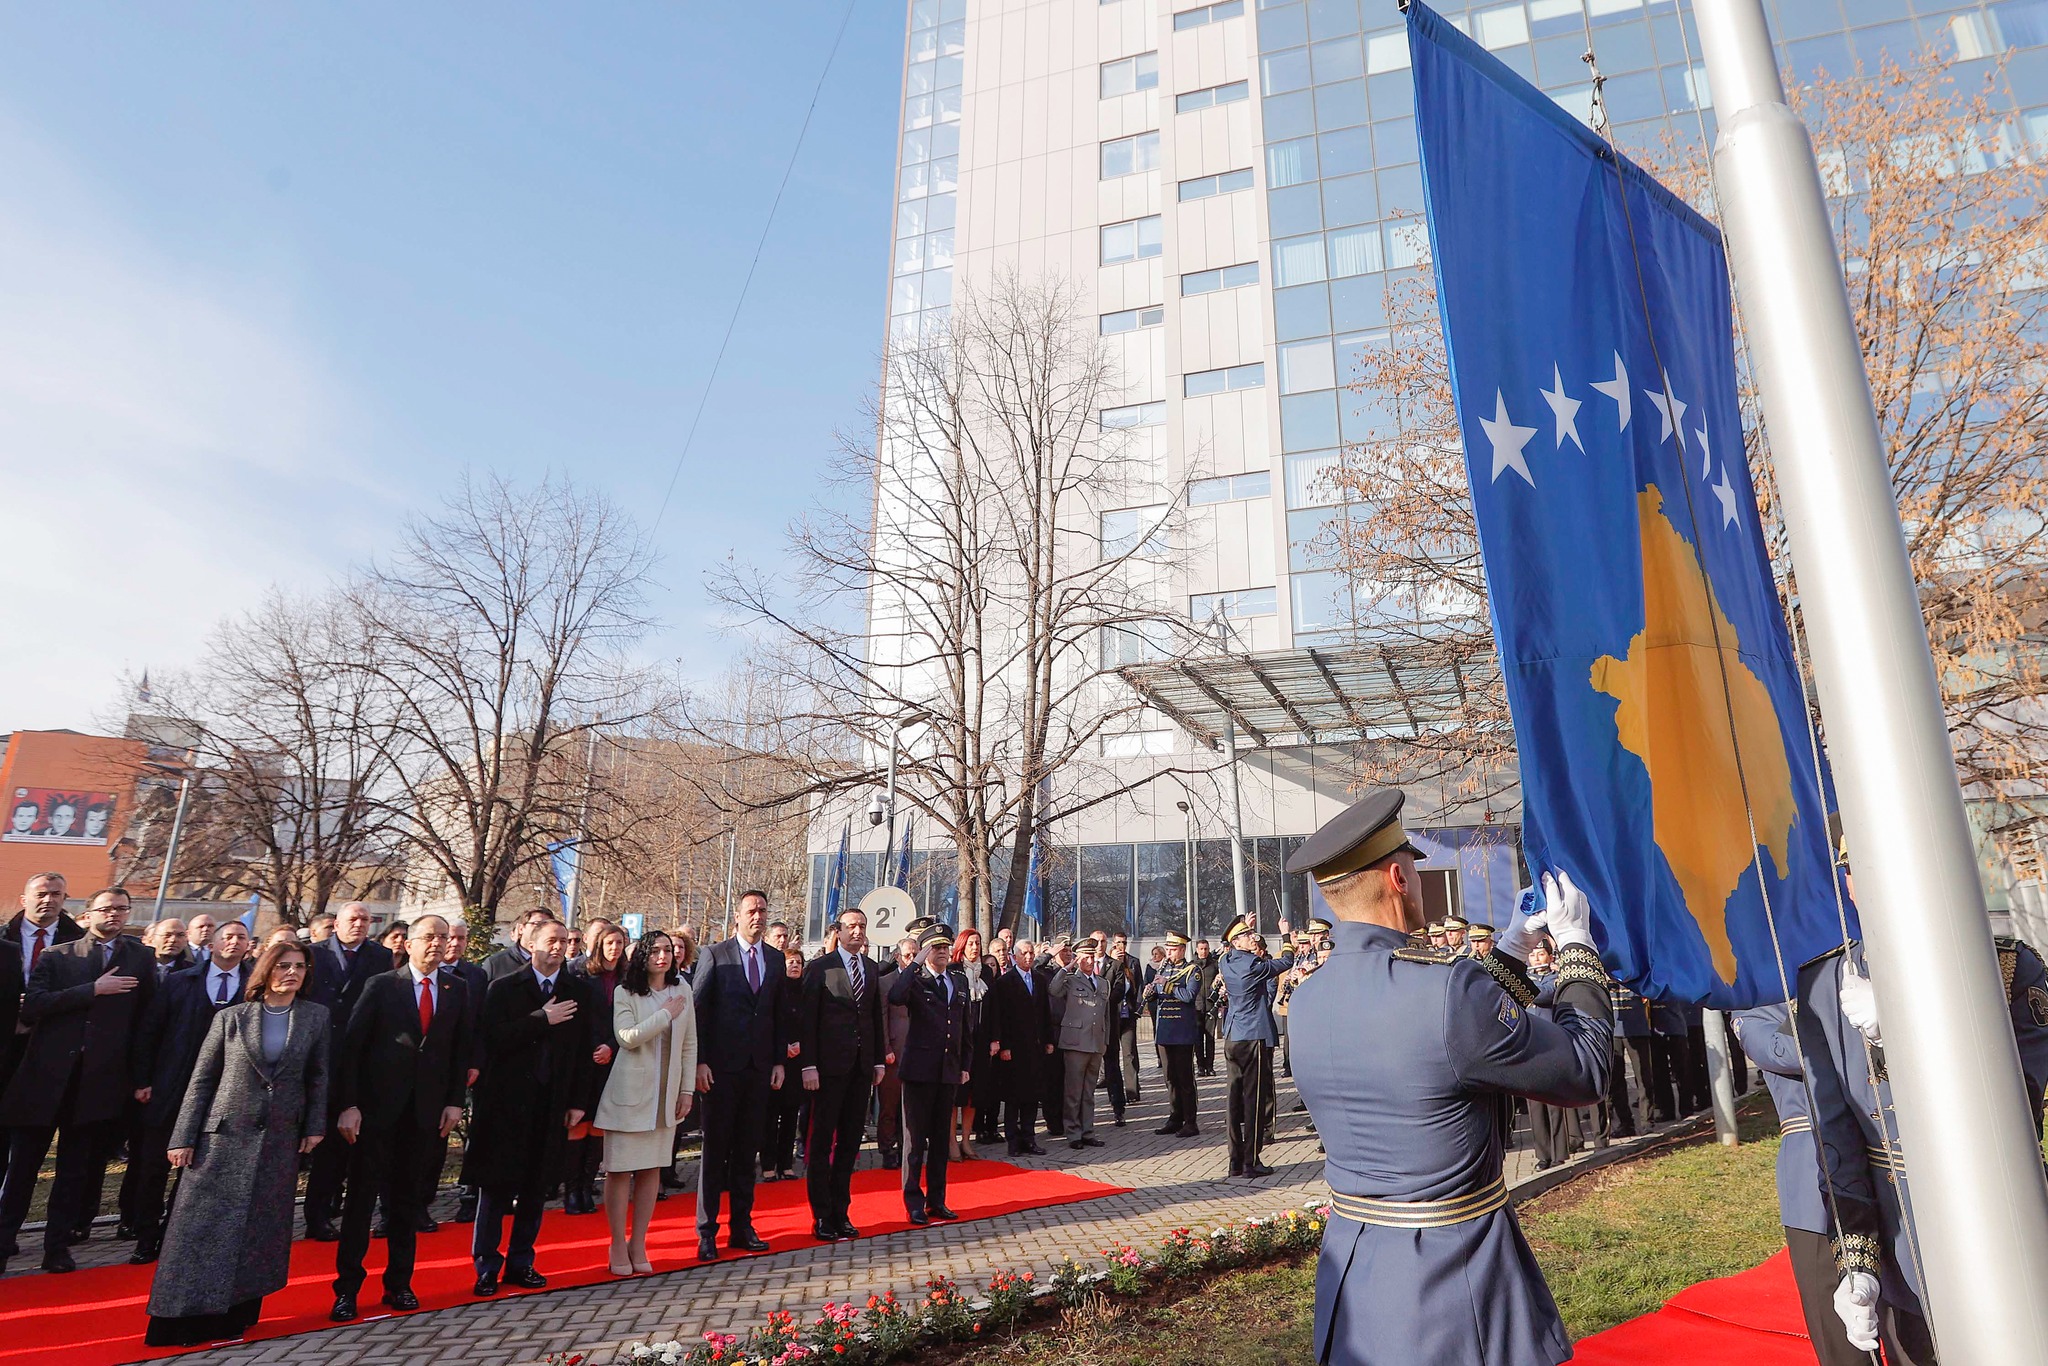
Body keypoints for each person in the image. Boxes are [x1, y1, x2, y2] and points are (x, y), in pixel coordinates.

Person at [1285, 788, 1613, 1366]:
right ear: (1397, 878)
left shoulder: (1309, 996)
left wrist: (1511, 946)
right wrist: (1577, 948)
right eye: (1415, 864)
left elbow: (1459, 1040)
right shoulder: (1448, 991)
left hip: (1355, 1276)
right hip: (1453, 1281)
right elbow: (1585, 1070)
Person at [142, 939, 327, 1346]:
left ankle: (235, 1315)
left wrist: (314, 1126)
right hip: (222, 1138)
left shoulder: (316, 1018)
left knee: (260, 1230)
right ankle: (177, 1319)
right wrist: (183, 1137)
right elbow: (203, 1079)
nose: (292, 973)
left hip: (279, 1139)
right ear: (266, 972)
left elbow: (318, 1075)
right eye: (283, 966)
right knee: (198, 1229)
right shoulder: (232, 1018)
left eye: (300, 966)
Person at [0, 885, 156, 1272]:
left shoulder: (141, 957)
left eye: (122, 909)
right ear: (88, 914)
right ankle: (3, 1244)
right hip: (45, 1078)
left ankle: (58, 1248)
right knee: (22, 1170)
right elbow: (33, 1006)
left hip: (98, 1082)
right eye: (106, 909)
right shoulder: (58, 955)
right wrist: (93, 990)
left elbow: (146, 1023)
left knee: (74, 1171)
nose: (115, 916)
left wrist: (138, 1077)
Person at [327, 915, 472, 1322]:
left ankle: (399, 1283)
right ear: (408, 944)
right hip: (376, 1111)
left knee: (408, 1201)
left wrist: (454, 1101)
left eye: (443, 938)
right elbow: (353, 1048)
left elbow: (459, 1049)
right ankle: (347, 1289)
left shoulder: (455, 988)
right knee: (360, 1202)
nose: (437, 944)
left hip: (425, 1112)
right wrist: (349, 1104)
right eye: (428, 937)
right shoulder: (382, 985)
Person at [462, 919, 591, 1297]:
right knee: (496, 1188)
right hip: (505, 1103)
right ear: (531, 944)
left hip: (551, 1102)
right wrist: (540, 1020)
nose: (559, 948)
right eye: (551, 941)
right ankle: (486, 1264)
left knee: (536, 1188)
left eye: (565, 942)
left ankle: (522, 1261)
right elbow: (492, 1039)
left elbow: (582, 1053)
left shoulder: (574, 990)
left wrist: (577, 1102)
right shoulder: (504, 988)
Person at [1732, 1003, 1861, 1366]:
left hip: (1880, 1155)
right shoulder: (1753, 1008)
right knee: (1834, 1320)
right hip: (1811, 1166)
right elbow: (1785, 1052)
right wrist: (1819, 999)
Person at [123, 921, 254, 1262]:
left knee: (200, 1171)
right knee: (154, 1166)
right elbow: (149, 1032)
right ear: (210, 944)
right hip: (170, 1089)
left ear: (249, 945)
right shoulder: (180, 981)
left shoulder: (256, 987)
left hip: (225, 1094)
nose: (234, 942)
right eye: (227, 936)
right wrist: (143, 1080)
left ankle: (178, 1236)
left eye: (241, 937)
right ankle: (146, 1236)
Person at [690, 890, 788, 1261]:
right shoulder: (716, 954)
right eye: (752, 911)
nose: (758, 917)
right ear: (738, 915)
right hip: (720, 1071)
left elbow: (780, 1015)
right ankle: (706, 1231)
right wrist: (699, 1062)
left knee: (748, 1153)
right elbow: (698, 1011)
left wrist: (779, 1061)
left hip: (759, 1069)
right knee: (715, 1153)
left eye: (763, 911)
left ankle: (742, 1226)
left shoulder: (775, 959)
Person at [596, 930, 696, 1274]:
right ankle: (616, 1243)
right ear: (642, 956)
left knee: (651, 1169)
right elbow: (627, 1037)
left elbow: (689, 1044)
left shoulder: (683, 989)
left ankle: (638, 1242)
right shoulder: (626, 992)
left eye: (668, 950)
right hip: (629, 1093)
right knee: (620, 1170)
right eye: (655, 950)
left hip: (665, 1096)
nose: (663, 956)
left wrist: (686, 1090)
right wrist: (665, 1014)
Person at [797, 906, 887, 1241]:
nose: (858, 932)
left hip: (861, 1069)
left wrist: (878, 1061)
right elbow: (807, 1021)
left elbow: (874, 1018)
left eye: (862, 926)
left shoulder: (871, 968)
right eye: (852, 926)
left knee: (850, 1143)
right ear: (839, 930)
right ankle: (821, 1216)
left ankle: (841, 1211)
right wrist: (808, 1065)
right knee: (822, 1144)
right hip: (827, 1069)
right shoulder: (821, 968)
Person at [303, 900, 384, 1240]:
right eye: (353, 918)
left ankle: (328, 1213)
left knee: (342, 1143)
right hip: (316, 1052)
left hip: (359, 1056)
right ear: (336, 923)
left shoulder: (379, 956)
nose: (360, 924)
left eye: (366, 919)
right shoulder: (313, 953)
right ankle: (313, 1215)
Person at [888, 924, 969, 1224]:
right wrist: (916, 962)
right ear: (925, 950)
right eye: (936, 947)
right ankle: (913, 1203)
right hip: (919, 1072)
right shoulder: (916, 982)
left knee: (939, 1141)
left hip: (947, 1070)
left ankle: (938, 1200)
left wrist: (964, 1066)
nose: (943, 951)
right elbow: (895, 996)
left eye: (946, 946)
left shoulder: (958, 982)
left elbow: (964, 1028)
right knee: (914, 1141)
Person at [1219, 912, 1293, 1179]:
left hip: (1233, 1036)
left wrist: (1243, 930)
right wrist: (1285, 934)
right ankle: (1251, 1161)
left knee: (1233, 1101)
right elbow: (1287, 961)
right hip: (1253, 1037)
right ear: (1237, 942)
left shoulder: (1226, 961)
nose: (1253, 937)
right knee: (1253, 1100)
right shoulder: (1253, 964)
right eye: (1249, 935)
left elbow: (1226, 949)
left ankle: (1234, 1161)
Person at [563, 921, 627, 1215]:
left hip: (613, 1058)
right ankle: (571, 1190)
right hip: (582, 1058)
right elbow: (576, 1017)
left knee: (600, 1124)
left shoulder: (627, 978)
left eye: (620, 943)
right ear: (599, 944)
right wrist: (592, 1048)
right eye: (610, 943)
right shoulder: (581, 974)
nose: (615, 948)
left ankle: (587, 1187)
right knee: (579, 1122)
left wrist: (612, 1046)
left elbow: (631, 1020)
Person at [432, 917, 490, 1225]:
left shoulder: (476, 975)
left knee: (462, 1133)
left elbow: (480, 1023)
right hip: (427, 1066)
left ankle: (468, 1195)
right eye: (449, 937)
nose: (454, 944)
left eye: (461, 939)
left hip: (463, 1067)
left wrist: (475, 1062)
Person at [1048, 940, 1111, 1151]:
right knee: (1073, 1092)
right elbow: (1053, 989)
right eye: (1085, 957)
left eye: (1092, 956)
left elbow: (1106, 1016)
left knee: (1089, 1093)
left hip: (1095, 1042)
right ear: (1077, 958)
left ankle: (1088, 1132)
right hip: (1075, 1043)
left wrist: (1106, 1041)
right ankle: (1073, 1133)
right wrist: (1067, 967)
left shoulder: (1103, 983)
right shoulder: (1070, 980)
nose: (1090, 960)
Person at [1523, 938, 1579, 1172]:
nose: (1535, 959)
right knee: (1535, 1105)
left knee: (1554, 1103)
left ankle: (1559, 1152)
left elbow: (1544, 996)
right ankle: (1542, 1154)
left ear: (1549, 956)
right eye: (1532, 955)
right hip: (1528, 1046)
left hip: (1551, 1044)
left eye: (1540, 954)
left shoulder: (1555, 978)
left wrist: (1521, 984)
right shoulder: (1525, 978)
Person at [992, 936, 1051, 1155]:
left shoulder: (1039, 979)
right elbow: (1002, 1017)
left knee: (1031, 1096)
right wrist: (1004, 1046)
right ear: (1015, 956)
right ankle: (1013, 1141)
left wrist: (1048, 1041)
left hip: (1035, 1048)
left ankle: (1029, 1138)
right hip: (1014, 1049)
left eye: (1031, 953)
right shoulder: (1005, 983)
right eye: (1024, 953)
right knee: (1014, 1098)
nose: (1028, 957)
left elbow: (1045, 1012)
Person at [1146, 932, 1204, 1137]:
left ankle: (1190, 1121)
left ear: (1182, 949)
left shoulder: (1192, 970)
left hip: (1182, 1031)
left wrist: (1167, 985)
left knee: (1185, 1077)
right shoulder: (1164, 968)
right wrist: (1150, 991)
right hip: (1165, 1030)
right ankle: (1174, 1117)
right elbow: (1159, 996)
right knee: (1170, 1077)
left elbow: (1189, 996)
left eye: (1172, 950)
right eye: (1167, 949)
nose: (1168, 953)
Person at [762, 922, 808, 1182]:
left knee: (791, 1114)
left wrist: (800, 1045)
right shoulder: (774, 989)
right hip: (773, 1058)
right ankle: (768, 1165)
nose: (794, 966)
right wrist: (782, 1048)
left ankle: (786, 1164)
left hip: (797, 1062)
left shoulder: (806, 992)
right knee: (770, 1115)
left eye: (798, 963)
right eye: (790, 962)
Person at [949, 926, 1000, 1158]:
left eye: (978, 943)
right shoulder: (953, 971)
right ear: (961, 946)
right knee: (955, 1094)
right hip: (959, 1042)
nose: (975, 947)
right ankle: (951, 1141)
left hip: (980, 1041)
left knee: (973, 1095)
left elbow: (994, 1010)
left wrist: (994, 1039)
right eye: (970, 943)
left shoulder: (986, 974)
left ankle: (967, 1141)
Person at [876, 935, 918, 1168]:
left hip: (916, 1052)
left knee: (911, 1105)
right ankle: (886, 1148)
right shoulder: (886, 982)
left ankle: (907, 1146)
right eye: (907, 955)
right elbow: (881, 1018)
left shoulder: (921, 980)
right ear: (897, 957)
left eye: (915, 954)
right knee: (889, 1104)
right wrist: (886, 1048)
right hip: (894, 1052)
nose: (911, 959)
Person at [1100, 932, 1142, 1123]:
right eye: (1096, 942)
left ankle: (1120, 1104)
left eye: (1102, 941)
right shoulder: (1082, 964)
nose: (1099, 945)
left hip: (1117, 1016)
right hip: (1089, 1023)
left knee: (1120, 1057)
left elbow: (1124, 989)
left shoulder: (1119, 964)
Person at [1036, 934, 1074, 1136]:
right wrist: (1047, 954)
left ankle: (1069, 1119)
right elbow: (1033, 968)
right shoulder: (1046, 973)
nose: (1067, 953)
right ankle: (1053, 1121)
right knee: (1053, 1079)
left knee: (1069, 1080)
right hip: (1055, 1031)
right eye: (1063, 950)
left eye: (1069, 950)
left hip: (1073, 1031)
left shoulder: (1075, 972)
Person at [483, 910, 556, 981]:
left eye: (546, 925)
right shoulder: (496, 963)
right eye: (537, 924)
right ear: (521, 929)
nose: (542, 929)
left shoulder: (558, 963)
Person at [1192, 938, 1220, 1077]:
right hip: (1196, 1007)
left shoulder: (1214, 965)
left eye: (1206, 949)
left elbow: (1221, 982)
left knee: (1210, 1038)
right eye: (1201, 949)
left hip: (1211, 1006)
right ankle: (1200, 1066)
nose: (1204, 951)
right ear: (1197, 950)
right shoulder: (1191, 965)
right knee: (1197, 1038)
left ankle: (1210, 1066)